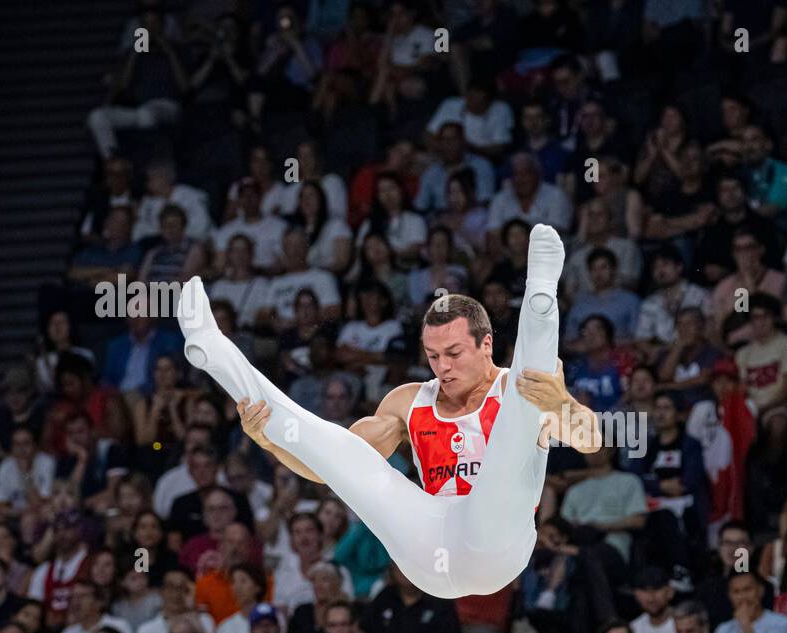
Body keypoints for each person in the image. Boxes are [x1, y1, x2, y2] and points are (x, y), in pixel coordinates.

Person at [188, 225, 601, 599]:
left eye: (454, 353)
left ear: (486, 345)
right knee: (350, 453)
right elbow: (334, 467)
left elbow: (591, 440)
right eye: (433, 355)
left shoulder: (516, 388)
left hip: (498, 545)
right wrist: (271, 441)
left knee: (528, 387)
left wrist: (561, 404)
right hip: (428, 547)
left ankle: (540, 298)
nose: (443, 367)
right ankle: (216, 353)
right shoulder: (408, 403)